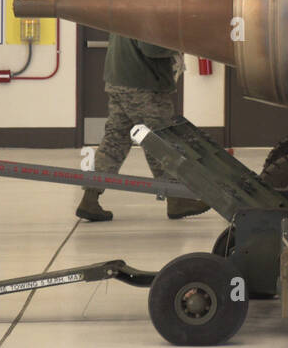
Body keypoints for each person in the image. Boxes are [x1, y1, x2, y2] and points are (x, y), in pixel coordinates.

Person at [76, 35, 209, 222]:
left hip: (117, 79)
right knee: (161, 140)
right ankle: (176, 199)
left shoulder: (124, 5)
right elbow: (151, 48)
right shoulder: (152, 7)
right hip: (143, 84)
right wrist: (180, 45)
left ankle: (90, 198)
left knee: (114, 141)